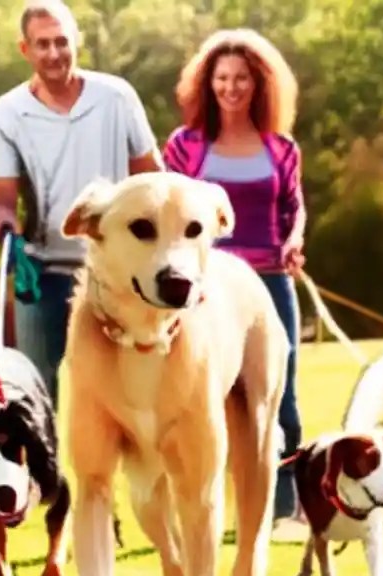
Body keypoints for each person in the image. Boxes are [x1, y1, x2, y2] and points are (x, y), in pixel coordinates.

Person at [163, 28, 308, 540]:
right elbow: (171, 211)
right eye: (222, 78)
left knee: (281, 399)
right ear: (208, 84)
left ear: (259, 84)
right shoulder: (185, 147)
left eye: (241, 78)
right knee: (198, 398)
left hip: (269, 284)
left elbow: (295, 208)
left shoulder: (281, 148)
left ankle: (287, 507)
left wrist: (293, 241)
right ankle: (193, 503)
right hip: (210, 292)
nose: (231, 87)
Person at [0, 0, 161, 405]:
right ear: (24, 50)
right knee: (36, 388)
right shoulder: (5, 114)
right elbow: (3, 198)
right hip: (44, 271)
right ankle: (46, 470)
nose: (53, 53)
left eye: (62, 42)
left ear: (76, 41)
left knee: (131, 390)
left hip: (117, 274)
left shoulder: (117, 97)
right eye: (42, 44)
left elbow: (152, 179)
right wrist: (5, 227)